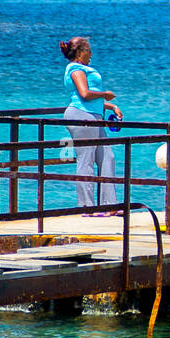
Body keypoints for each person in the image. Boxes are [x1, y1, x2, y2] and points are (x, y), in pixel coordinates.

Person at [59, 36, 122, 214]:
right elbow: (84, 94)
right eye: (88, 50)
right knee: (86, 159)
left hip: (93, 115)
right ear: (79, 52)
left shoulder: (83, 68)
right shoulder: (75, 69)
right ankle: (87, 206)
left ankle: (110, 205)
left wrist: (112, 106)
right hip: (80, 116)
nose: (91, 53)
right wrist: (105, 94)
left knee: (107, 157)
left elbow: (89, 100)